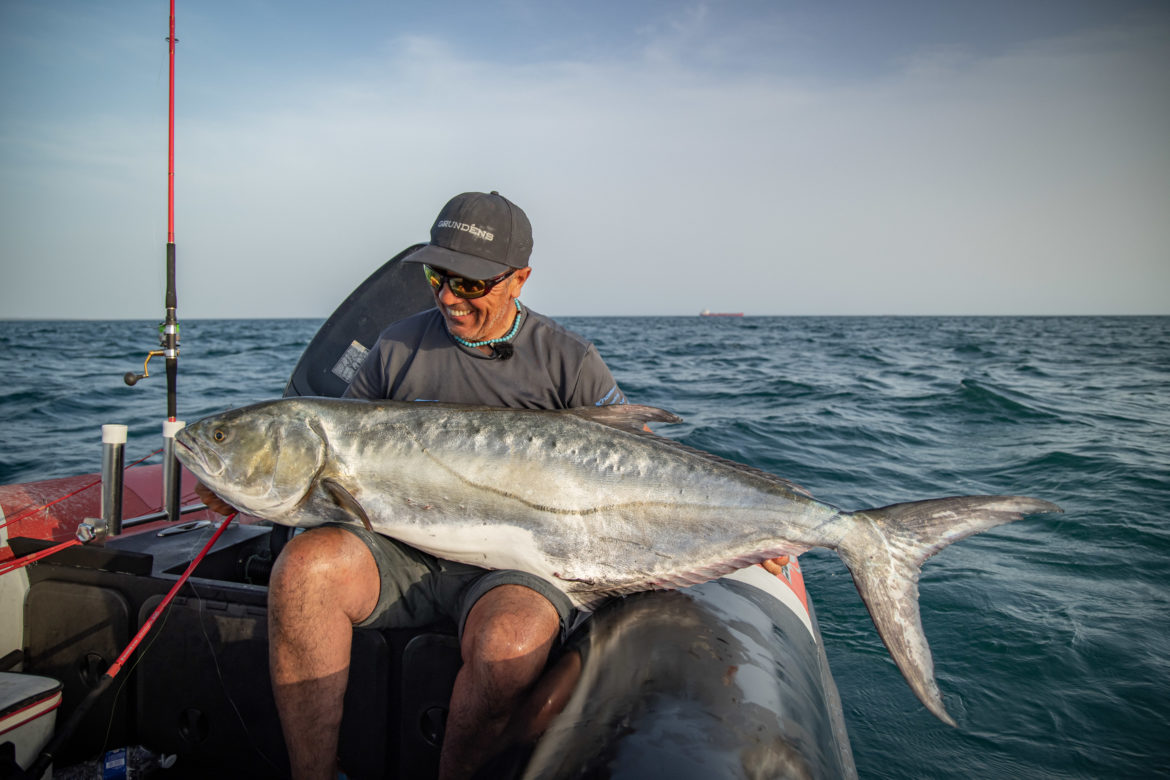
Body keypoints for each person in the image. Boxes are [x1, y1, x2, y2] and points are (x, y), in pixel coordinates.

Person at [261, 191, 626, 780]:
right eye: (438, 276)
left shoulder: (570, 363)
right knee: (304, 571)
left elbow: (642, 473)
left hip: (519, 561)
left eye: (471, 284)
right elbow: (335, 462)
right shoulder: (396, 346)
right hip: (401, 546)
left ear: (519, 280)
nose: (450, 297)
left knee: (509, 645)